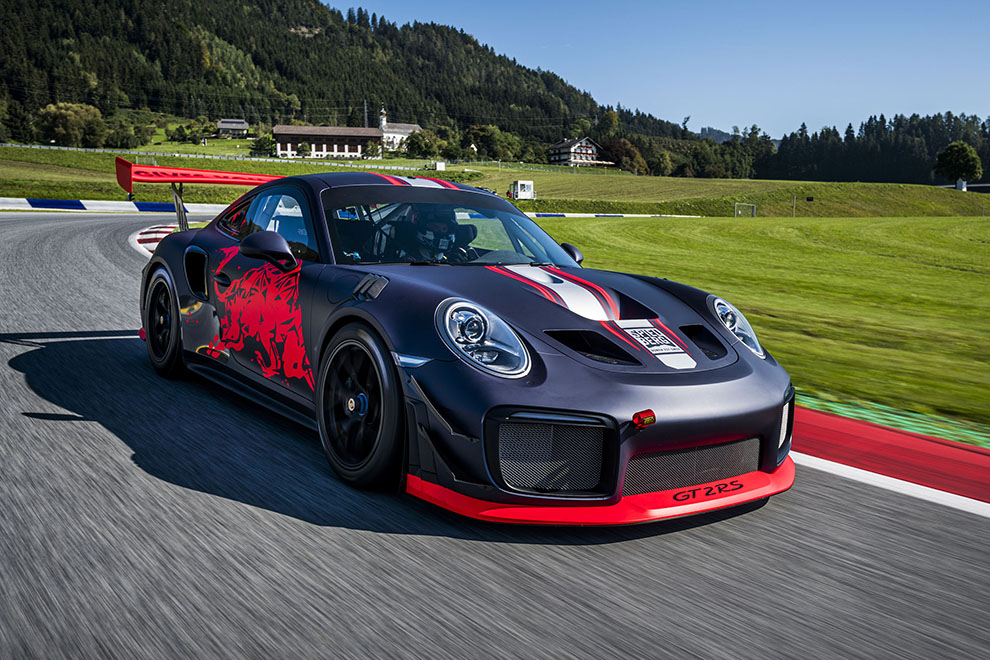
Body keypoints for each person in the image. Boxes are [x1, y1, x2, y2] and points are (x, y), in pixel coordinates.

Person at [369, 204, 476, 263]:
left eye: (444, 229)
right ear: (421, 226)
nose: (440, 232)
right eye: (435, 227)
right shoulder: (399, 256)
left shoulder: (459, 257)